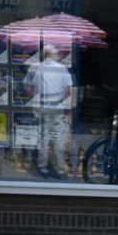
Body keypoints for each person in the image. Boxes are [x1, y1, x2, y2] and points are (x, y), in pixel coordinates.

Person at [28, 45, 74, 179]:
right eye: (57, 53)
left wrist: (35, 101)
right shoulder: (62, 69)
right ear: (49, 54)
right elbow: (68, 91)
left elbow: (28, 88)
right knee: (58, 137)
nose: (59, 55)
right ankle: (60, 168)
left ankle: (43, 167)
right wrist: (68, 109)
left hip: (41, 107)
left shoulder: (35, 67)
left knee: (43, 138)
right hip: (58, 107)